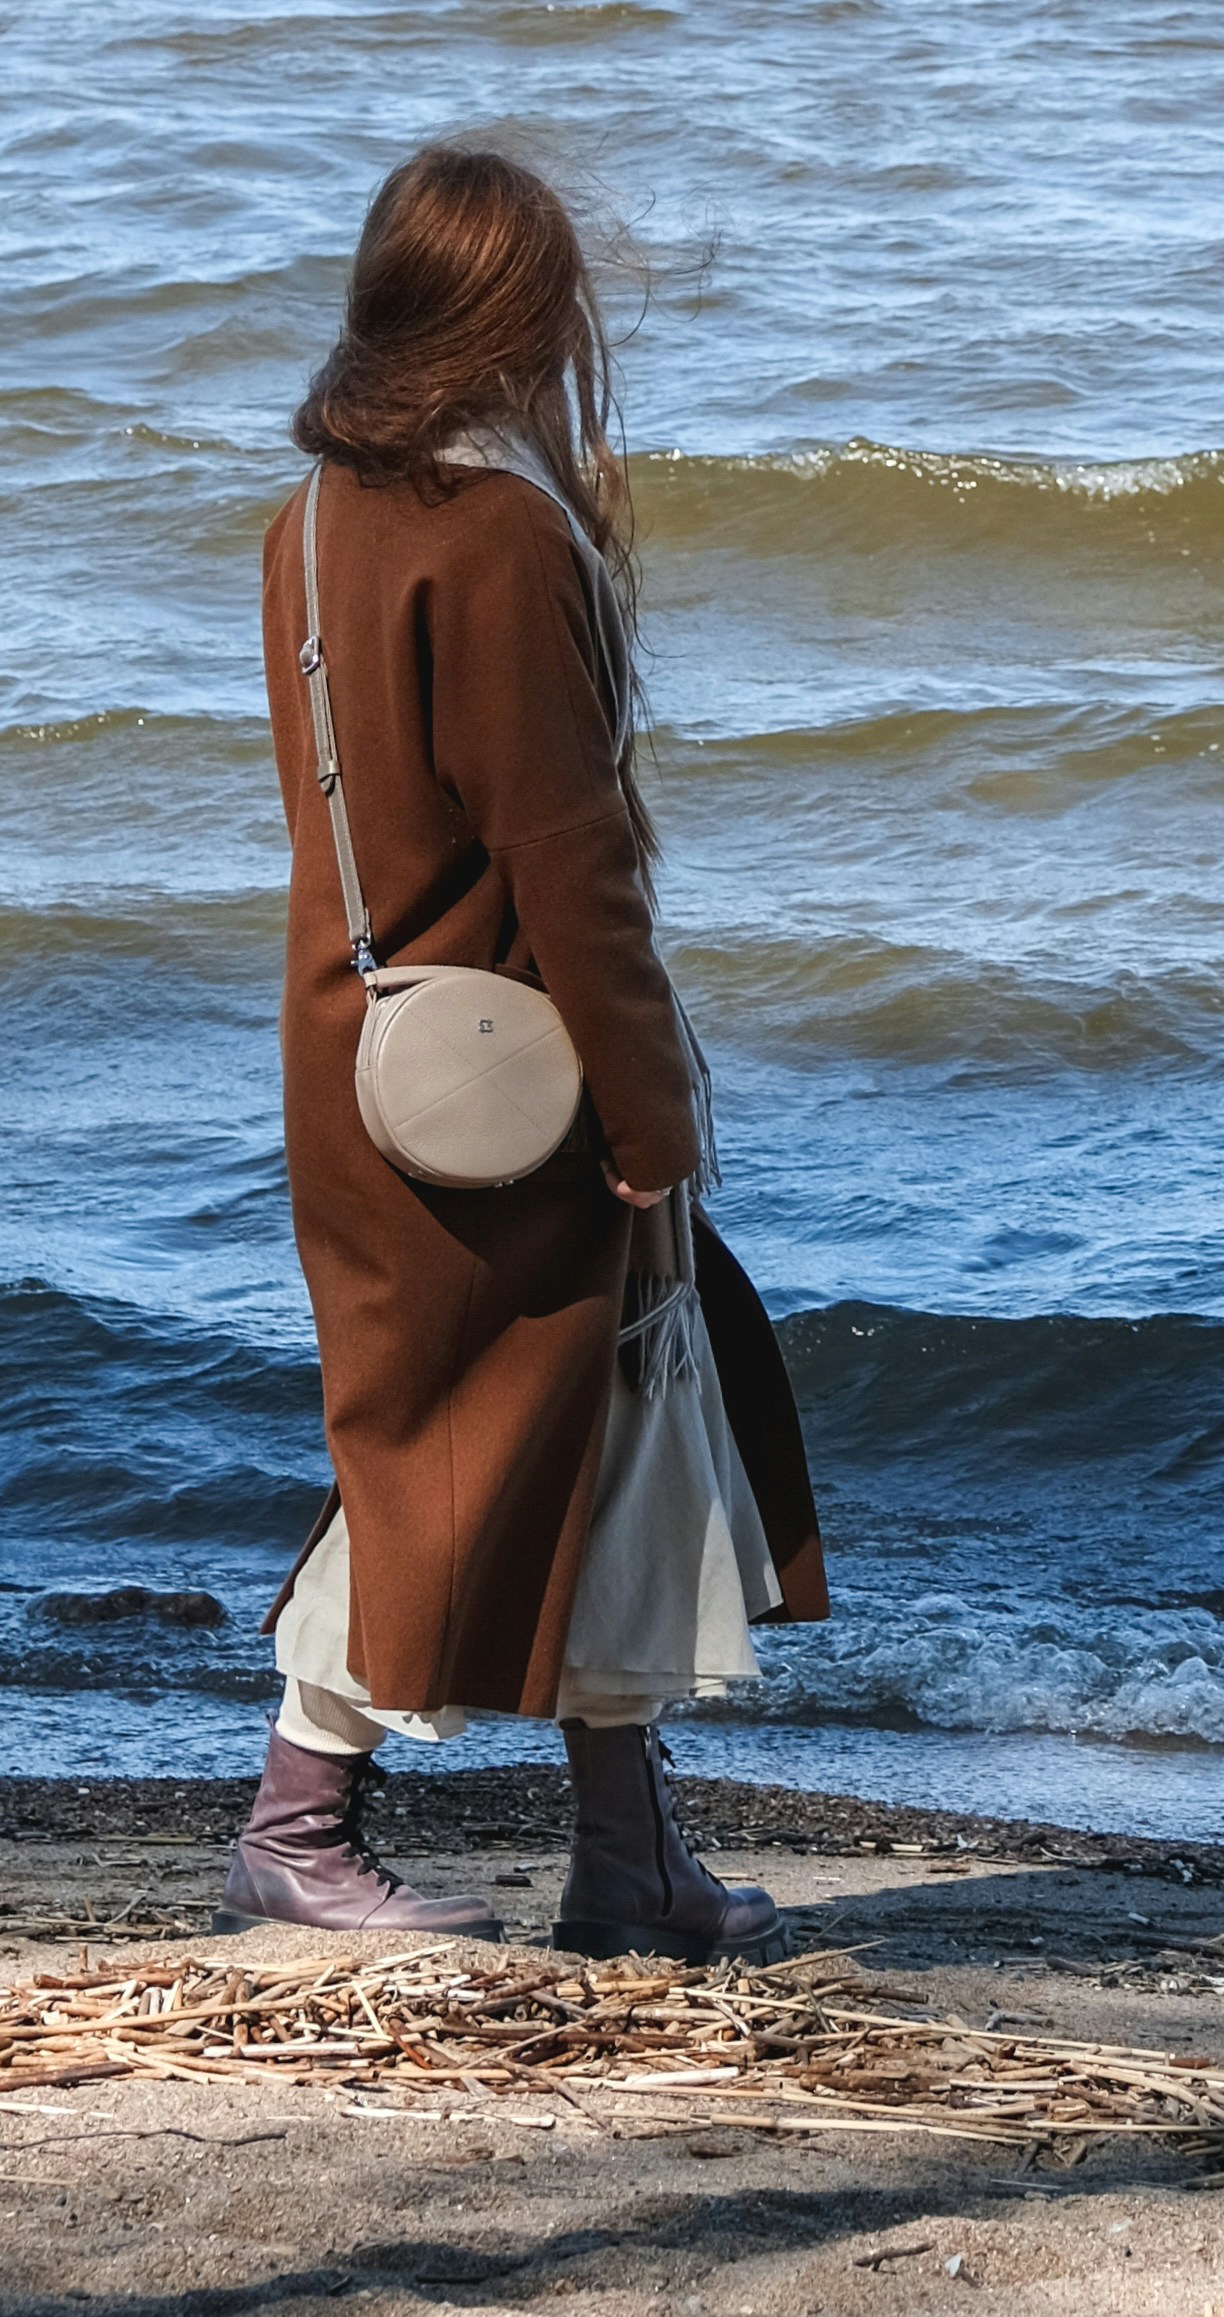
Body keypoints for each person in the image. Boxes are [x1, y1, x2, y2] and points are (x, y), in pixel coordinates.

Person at [229, 144, 828, 1953]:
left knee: (585, 1428)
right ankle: (296, 1817)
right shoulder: (495, 535)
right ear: (509, 317)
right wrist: (654, 1111)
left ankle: (629, 1860)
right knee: (475, 1450)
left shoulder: (316, 517)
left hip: (369, 1060)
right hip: (509, 1087)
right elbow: (568, 860)